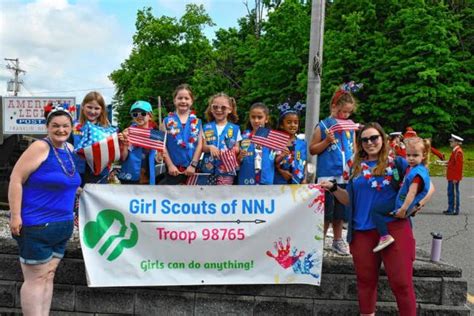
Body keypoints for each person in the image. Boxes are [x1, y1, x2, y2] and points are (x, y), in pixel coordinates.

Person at [318, 122, 434, 316]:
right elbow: (350, 200)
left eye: (374, 138)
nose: (369, 142)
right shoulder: (354, 167)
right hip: (362, 231)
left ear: (383, 139)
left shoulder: (399, 163)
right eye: (364, 139)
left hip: (394, 229)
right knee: (365, 282)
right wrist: (333, 188)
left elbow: (428, 187)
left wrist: (412, 208)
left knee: (401, 283)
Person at [9, 103, 81, 315]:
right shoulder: (40, 147)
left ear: (72, 127)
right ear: (47, 127)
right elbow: (16, 179)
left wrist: (81, 191)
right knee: (35, 279)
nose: (61, 130)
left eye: (66, 126)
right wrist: (15, 215)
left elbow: (66, 181)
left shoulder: (69, 150)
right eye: (56, 125)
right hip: (37, 225)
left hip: (62, 225)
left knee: (48, 276)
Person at [309, 82, 362, 256]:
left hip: (344, 175)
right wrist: (326, 142)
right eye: (342, 111)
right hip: (327, 174)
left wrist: (355, 164)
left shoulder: (349, 127)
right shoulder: (323, 126)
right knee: (326, 211)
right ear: (334, 107)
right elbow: (312, 149)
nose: (345, 115)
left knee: (341, 210)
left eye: (348, 112)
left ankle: (338, 240)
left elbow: (353, 149)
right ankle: (320, 241)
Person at [372, 137, 431, 252]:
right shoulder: (412, 168)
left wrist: (404, 208)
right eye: (408, 155)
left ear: (423, 156)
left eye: (415, 155)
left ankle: (385, 236)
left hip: (403, 204)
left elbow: (412, 192)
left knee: (376, 211)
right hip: (402, 203)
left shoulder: (416, 172)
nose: (411, 158)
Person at [160, 84, 203, 185]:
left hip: (192, 169)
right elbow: (162, 145)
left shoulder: (197, 122)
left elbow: (200, 145)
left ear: (191, 101)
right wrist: (170, 165)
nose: (183, 101)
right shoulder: (166, 121)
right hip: (173, 169)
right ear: (175, 100)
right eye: (180, 98)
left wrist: (193, 165)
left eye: (186, 98)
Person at [72, 91, 112, 185]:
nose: (92, 111)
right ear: (82, 106)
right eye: (89, 107)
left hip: (100, 174)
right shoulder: (73, 126)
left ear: (102, 110)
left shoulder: (107, 129)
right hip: (77, 173)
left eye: (97, 108)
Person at [201, 92, 241, 185]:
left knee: (223, 196)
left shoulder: (235, 128)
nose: (219, 110)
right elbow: (202, 147)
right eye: (215, 107)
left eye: (223, 107)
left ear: (230, 109)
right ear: (211, 109)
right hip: (208, 169)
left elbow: (237, 148)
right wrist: (210, 147)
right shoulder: (205, 127)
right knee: (208, 196)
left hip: (227, 170)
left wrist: (232, 151)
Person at [118, 100, 159, 184]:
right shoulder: (127, 133)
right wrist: (125, 145)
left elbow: (158, 159)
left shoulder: (155, 136)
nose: (139, 116)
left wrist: (160, 155)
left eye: (143, 113)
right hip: (129, 177)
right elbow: (123, 158)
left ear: (150, 116)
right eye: (135, 114)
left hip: (147, 178)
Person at [237, 102, 276, 185]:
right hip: (246, 181)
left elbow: (277, 160)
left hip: (265, 181)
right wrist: (240, 157)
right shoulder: (243, 137)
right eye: (253, 117)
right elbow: (237, 160)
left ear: (266, 119)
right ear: (249, 118)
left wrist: (283, 155)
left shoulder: (272, 138)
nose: (256, 120)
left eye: (260, 117)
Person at [274, 101, 307, 184]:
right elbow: (271, 162)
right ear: (282, 125)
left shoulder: (302, 144)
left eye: (296, 122)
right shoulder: (277, 142)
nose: (293, 125)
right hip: (279, 181)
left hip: (297, 183)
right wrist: (281, 171)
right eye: (289, 122)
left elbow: (305, 162)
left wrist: (305, 178)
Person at [444, 134, 464, 215]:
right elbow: (453, 163)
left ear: (456, 142)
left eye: (452, 141)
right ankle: (450, 208)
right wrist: (446, 163)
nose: (450, 143)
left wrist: (456, 178)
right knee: (450, 192)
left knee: (454, 193)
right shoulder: (455, 151)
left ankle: (454, 209)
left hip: (454, 177)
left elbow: (459, 167)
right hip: (451, 176)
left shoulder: (458, 152)